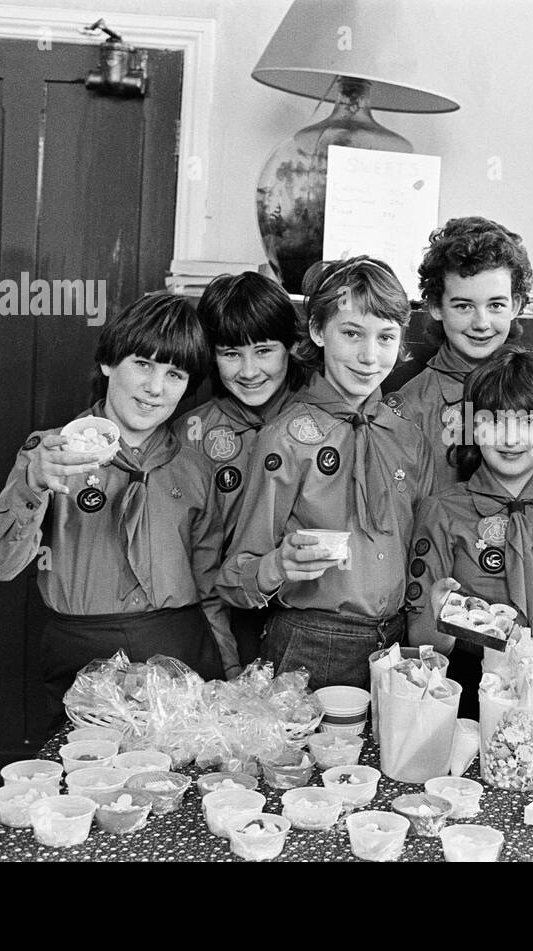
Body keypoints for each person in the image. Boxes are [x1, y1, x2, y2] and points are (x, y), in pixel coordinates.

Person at [0, 293, 228, 723]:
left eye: (175, 374)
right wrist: (32, 486)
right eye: (142, 364)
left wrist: (228, 670)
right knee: (87, 778)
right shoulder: (51, 450)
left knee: (170, 783)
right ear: (109, 362)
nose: (154, 388)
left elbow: (209, 583)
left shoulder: (195, 465)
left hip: (180, 649)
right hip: (82, 653)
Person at [216, 256, 434, 691]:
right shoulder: (286, 438)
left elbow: (424, 552)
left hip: (395, 644)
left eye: (386, 337)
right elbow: (234, 579)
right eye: (351, 334)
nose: (369, 356)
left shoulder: (407, 438)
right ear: (318, 331)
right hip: (307, 641)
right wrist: (279, 563)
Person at [408, 347, 533, 724]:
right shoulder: (442, 510)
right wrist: (438, 616)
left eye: (530, 421)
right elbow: (422, 643)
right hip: (471, 685)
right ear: (471, 425)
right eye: (495, 421)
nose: (512, 438)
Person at [174, 271, 305, 675]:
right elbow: (197, 568)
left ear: (293, 346)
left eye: (264, 351)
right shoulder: (190, 436)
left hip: (311, 618)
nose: (248, 371)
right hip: (223, 621)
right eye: (231, 354)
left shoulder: (323, 418)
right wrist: (226, 660)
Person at [392, 216, 533, 486]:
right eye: (464, 306)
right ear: (436, 306)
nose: (481, 323)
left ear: (515, 305)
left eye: (495, 306)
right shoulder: (409, 410)